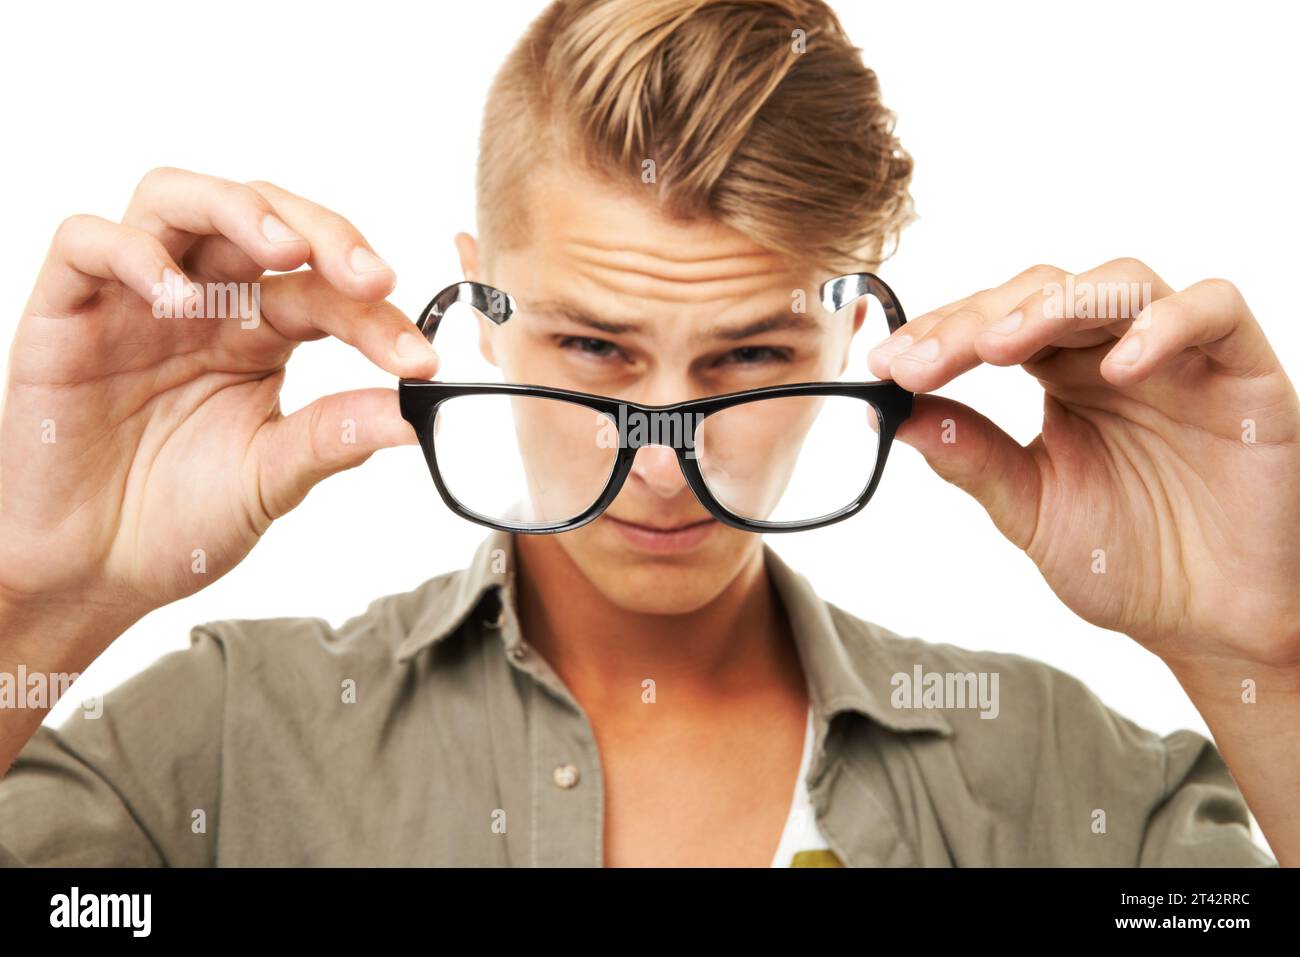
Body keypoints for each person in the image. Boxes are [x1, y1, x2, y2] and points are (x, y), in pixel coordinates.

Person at [0, 0, 1295, 867]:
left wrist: (1265, 654)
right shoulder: (216, 748)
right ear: (482, 310)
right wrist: (36, 596)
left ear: (851, 340)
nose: (669, 457)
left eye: (750, 356)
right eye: (595, 347)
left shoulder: (1078, 791)